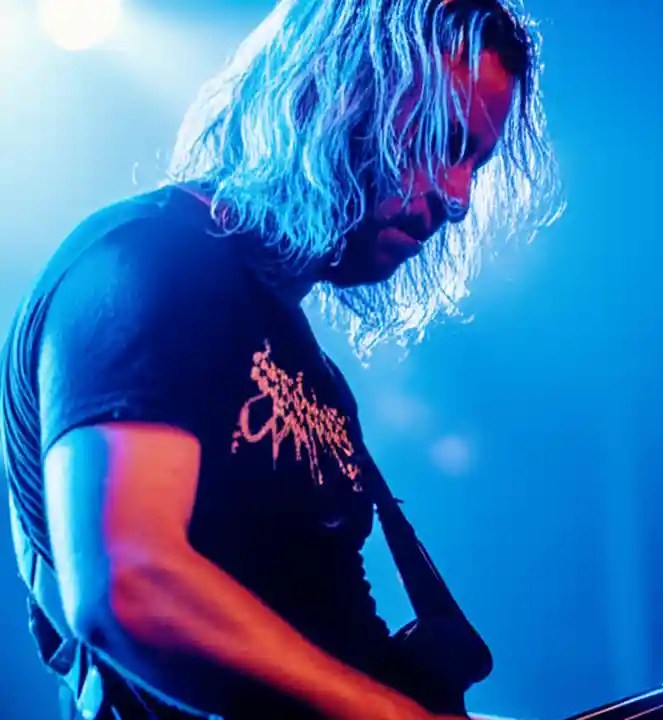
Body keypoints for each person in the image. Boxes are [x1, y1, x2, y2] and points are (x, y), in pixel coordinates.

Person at [1, 0, 562, 718]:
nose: (457, 199)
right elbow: (129, 586)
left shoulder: (311, 371)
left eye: (475, 166)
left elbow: (341, 661)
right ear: (335, 92)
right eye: (443, 141)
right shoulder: (148, 262)